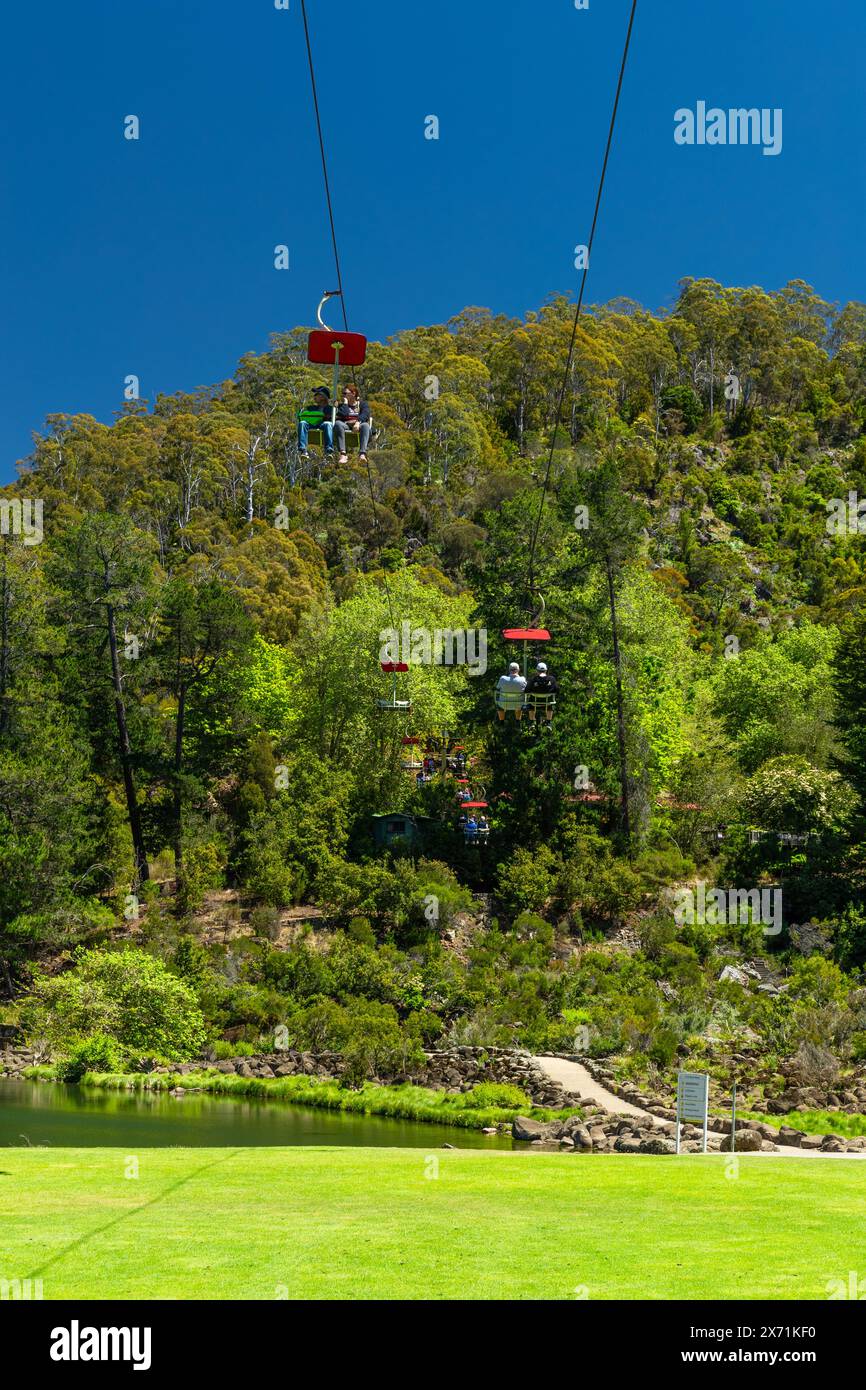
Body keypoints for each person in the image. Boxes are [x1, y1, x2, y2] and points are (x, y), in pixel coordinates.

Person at [334, 384, 372, 463]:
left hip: (358, 425)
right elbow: (343, 414)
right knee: (338, 423)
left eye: (345, 393)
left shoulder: (362, 404)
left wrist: (358, 422)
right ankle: (343, 454)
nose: (343, 395)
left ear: (353, 393)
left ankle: (362, 454)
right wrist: (345, 404)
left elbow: (365, 414)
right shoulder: (342, 405)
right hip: (346, 425)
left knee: (365, 425)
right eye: (342, 393)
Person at [297, 386, 334, 458]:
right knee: (302, 423)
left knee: (328, 424)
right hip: (312, 424)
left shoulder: (331, 409)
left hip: (323, 425)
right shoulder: (311, 408)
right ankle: (303, 450)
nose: (314, 397)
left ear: (323, 397)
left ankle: (329, 450)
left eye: (317, 395)